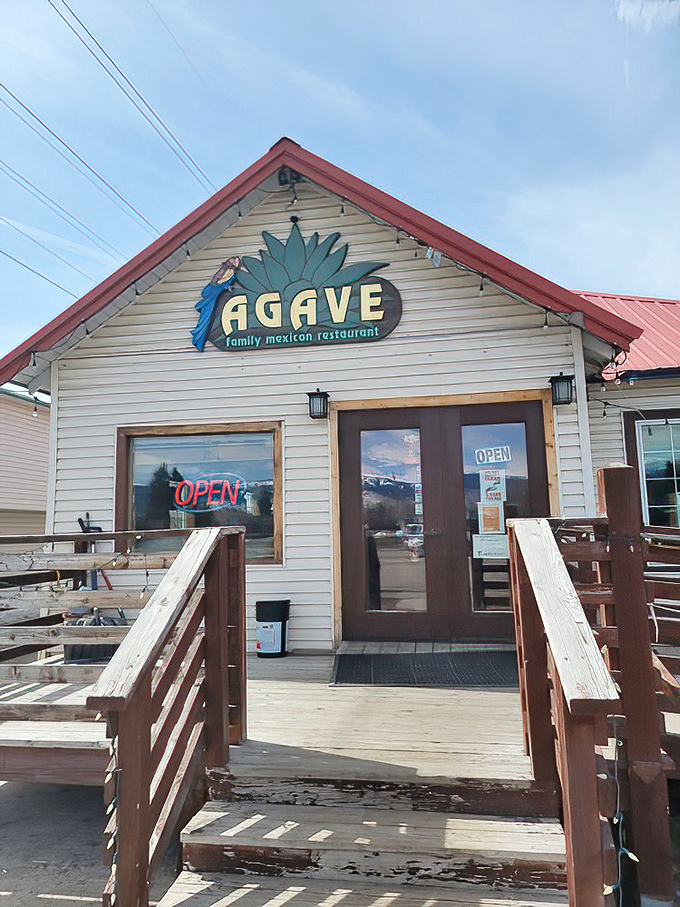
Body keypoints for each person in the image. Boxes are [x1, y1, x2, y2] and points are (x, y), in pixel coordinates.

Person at [191, 257, 241, 351]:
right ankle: (199, 338)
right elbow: (215, 283)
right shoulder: (224, 271)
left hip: (214, 293)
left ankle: (200, 338)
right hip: (212, 294)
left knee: (208, 318)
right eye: (231, 260)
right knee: (206, 318)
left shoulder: (231, 273)